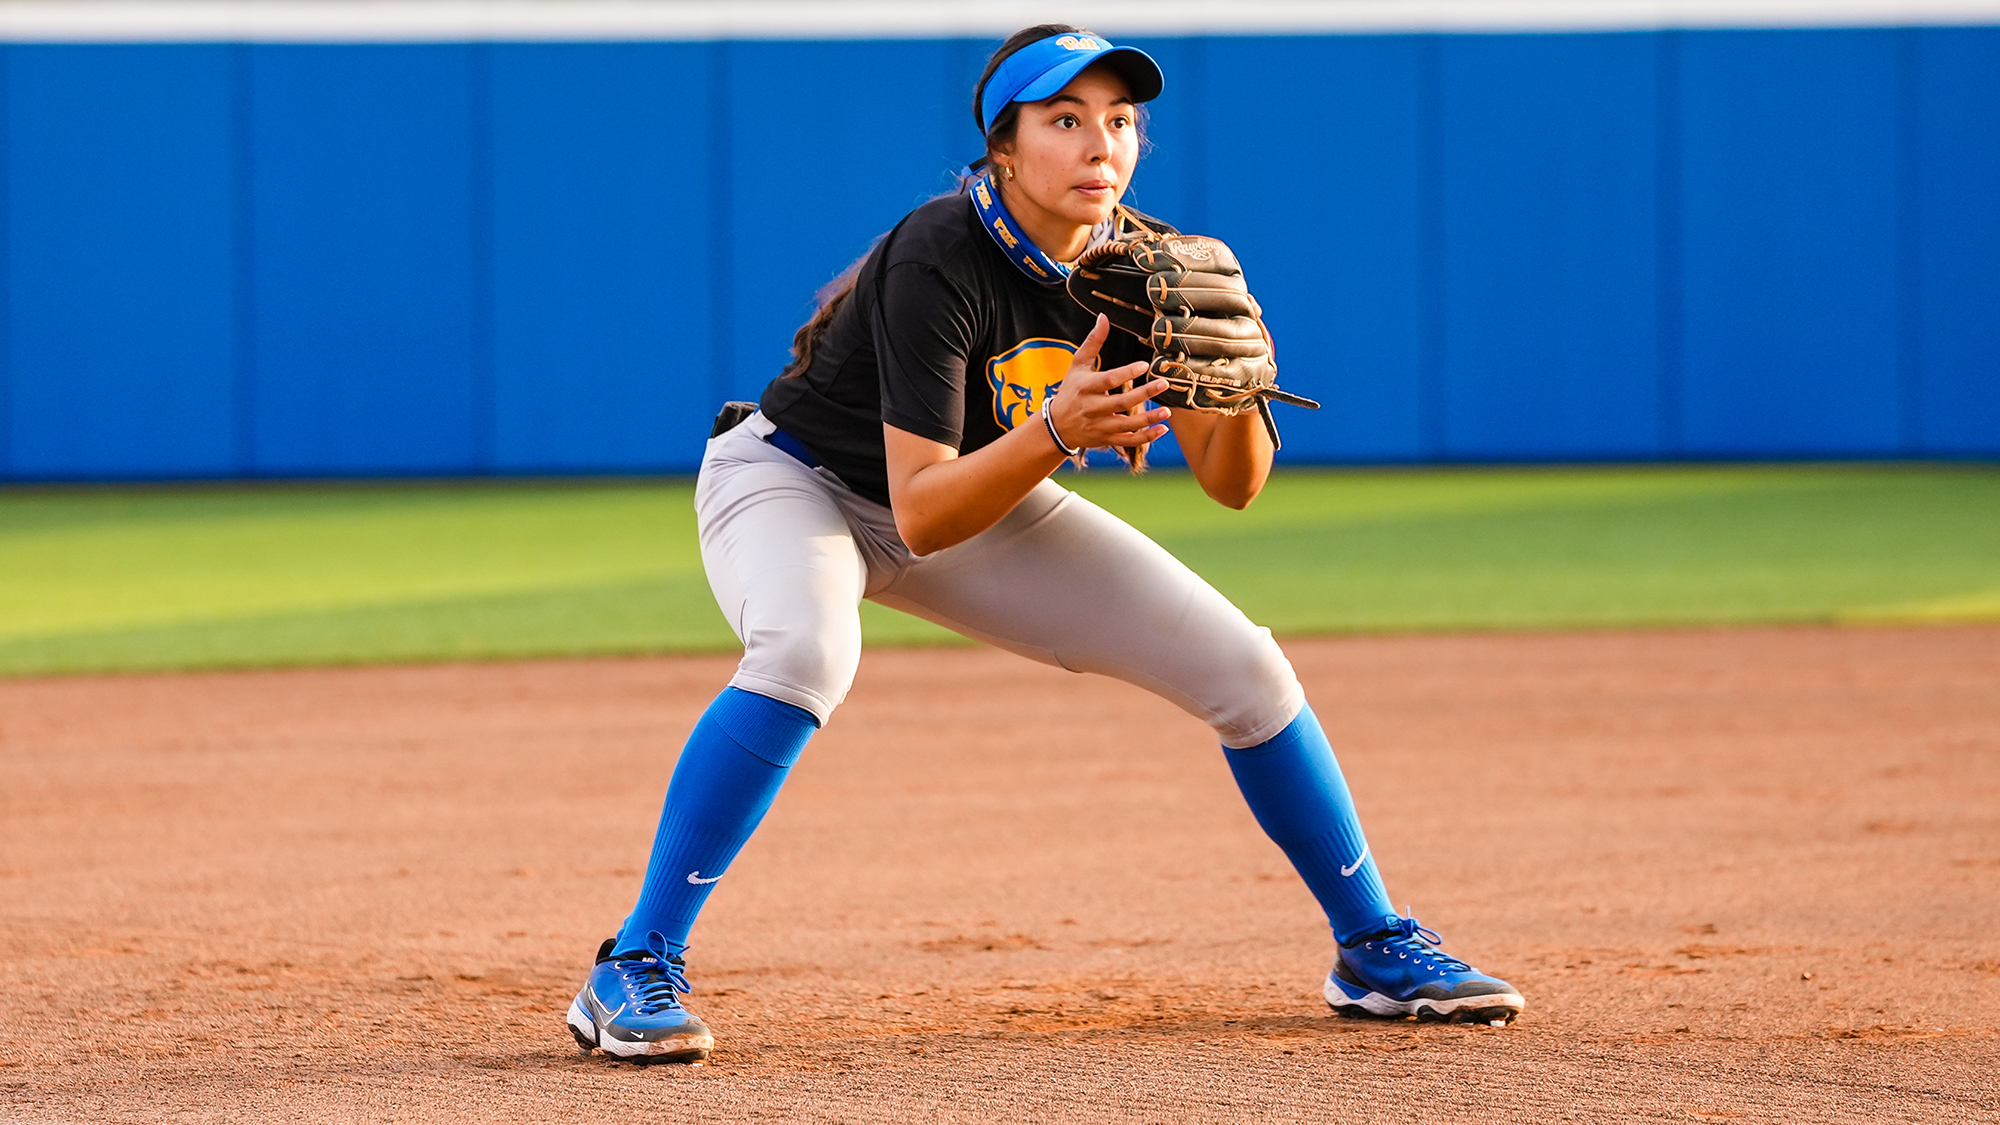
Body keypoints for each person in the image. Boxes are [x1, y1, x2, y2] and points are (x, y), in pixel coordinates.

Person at [565, 24, 1523, 1064]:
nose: (1097, 145)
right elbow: (921, 513)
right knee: (803, 654)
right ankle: (634, 962)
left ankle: (1371, 946)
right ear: (1004, 148)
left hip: (981, 493)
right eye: (1063, 121)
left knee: (1243, 666)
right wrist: (1061, 430)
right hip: (794, 482)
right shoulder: (936, 253)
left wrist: (1236, 387)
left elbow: (1232, 487)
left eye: (1117, 121)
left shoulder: (1149, 268)